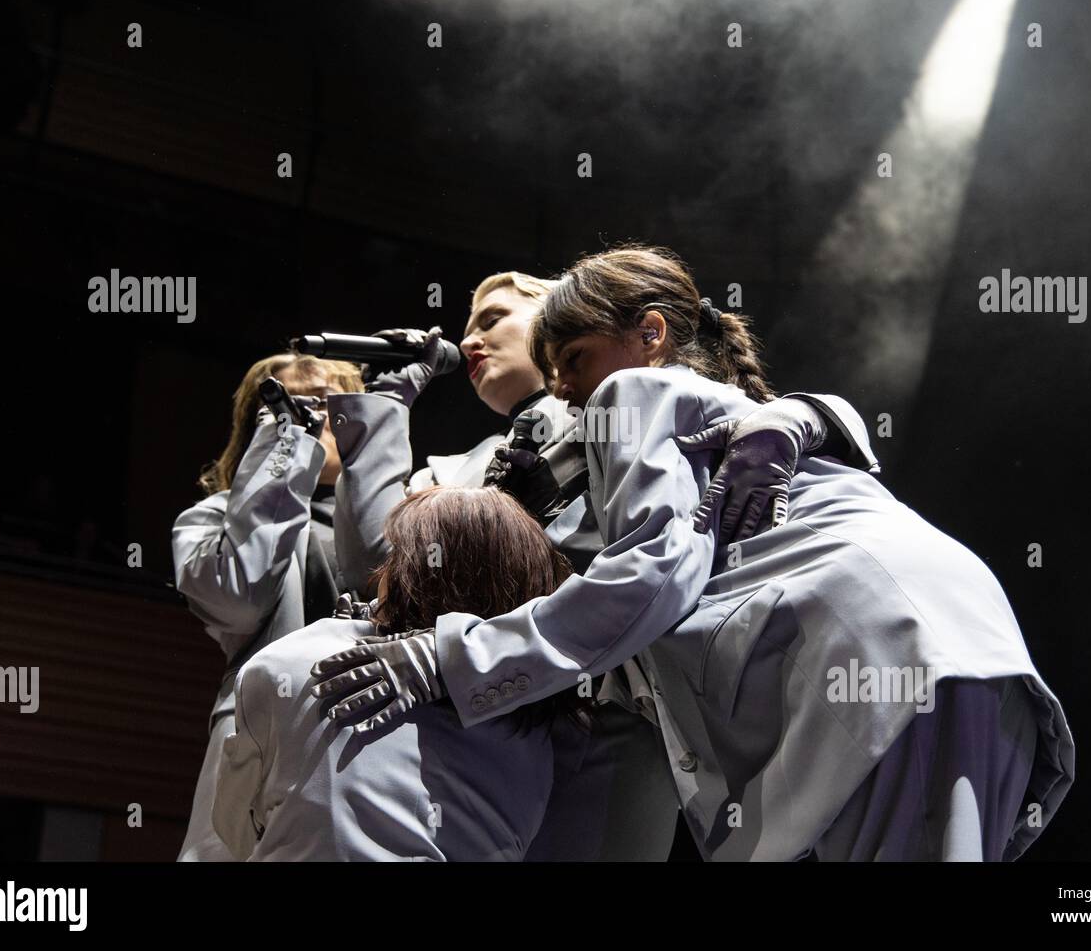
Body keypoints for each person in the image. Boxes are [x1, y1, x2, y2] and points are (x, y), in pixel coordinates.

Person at [313, 245, 1076, 861]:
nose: (569, 395)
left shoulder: (630, 397)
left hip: (864, 650)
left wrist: (454, 659)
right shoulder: (704, 414)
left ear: (650, 335)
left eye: (573, 361)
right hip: (963, 642)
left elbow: (651, 575)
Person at [328, 270, 879, 860]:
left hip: (604, 729)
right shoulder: (455, 470)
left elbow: (731, 437)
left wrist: (808, 415)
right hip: (471, 715)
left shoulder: (626, 392)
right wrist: (383, 412)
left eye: (493, 319)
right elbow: (373, 562)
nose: (469, 343)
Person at [212, 486, 580, 861]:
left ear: (413, 569)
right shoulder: (544, 730)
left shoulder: (292, 659)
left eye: (394, 556)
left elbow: (234, 823)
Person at [171, 351, 362, 861]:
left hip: (370, 733)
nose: (312, 418)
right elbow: (238, 598)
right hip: (265, 734)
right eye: (290, 406)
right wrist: (284, 454)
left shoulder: (401, 515)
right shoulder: (212, 517)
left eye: (328, 402)